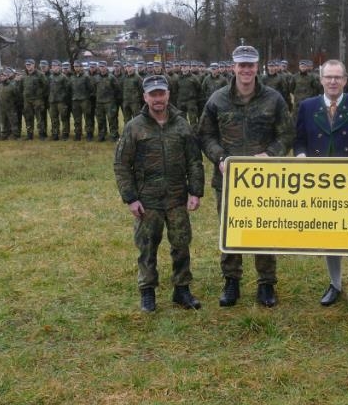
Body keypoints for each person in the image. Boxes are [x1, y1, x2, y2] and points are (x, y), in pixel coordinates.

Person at [198, 45, 294, 308]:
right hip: (229, 179)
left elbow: (287, 134)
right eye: (241, 65)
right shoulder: (217, 99)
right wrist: (220, 157)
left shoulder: (273, 98)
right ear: (233, 67)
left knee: (263, 229)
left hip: (264, 179)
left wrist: (271, 154)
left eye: (250, 65)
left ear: (257, 67)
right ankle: (231, 281)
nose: (246, 70)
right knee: (231, 231)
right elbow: (205, 135)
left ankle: (266, 283)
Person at [293, 59, 348, 310]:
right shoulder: (307, 106)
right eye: (328, 77)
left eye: (337, 77)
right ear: (320, 79)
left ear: (345, 80)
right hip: (321, 185)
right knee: (330, 234)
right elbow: (300, 140)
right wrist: (300, 155)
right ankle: (335, 284)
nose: (332, 81)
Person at [114, 75, 205, 313]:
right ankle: (147, 291)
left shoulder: (182, 124)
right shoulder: (134, 127)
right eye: (152, 94)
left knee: (181, 244)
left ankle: (182, 289)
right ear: (145, 97)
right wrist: (130, 197)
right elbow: (122, 165)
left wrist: (195, 191)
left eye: (161, 93)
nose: (157, 99)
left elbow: (194, 161)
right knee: (147, 246)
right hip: (148, 200)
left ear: (168, 95)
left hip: (177, 197)